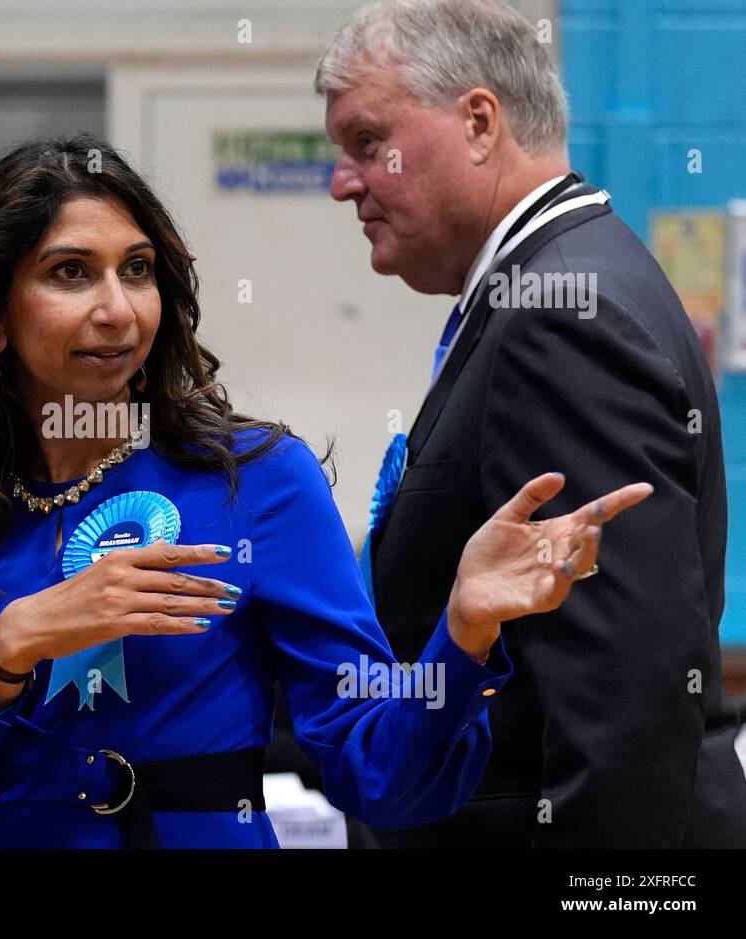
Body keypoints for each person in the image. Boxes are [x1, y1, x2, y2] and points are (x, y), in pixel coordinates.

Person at [0, 135, 649, 848]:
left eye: (138, 270)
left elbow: (383, 780)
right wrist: (3, 652)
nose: (117, 309)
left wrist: (463, 634)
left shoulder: (256, 478)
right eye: (70, 273)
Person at [317, 0, 746, 847]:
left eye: (370, 142)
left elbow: (628, 693)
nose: (343, 181)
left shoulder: (560, 314)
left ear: (480, 122)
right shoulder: (554, 281)